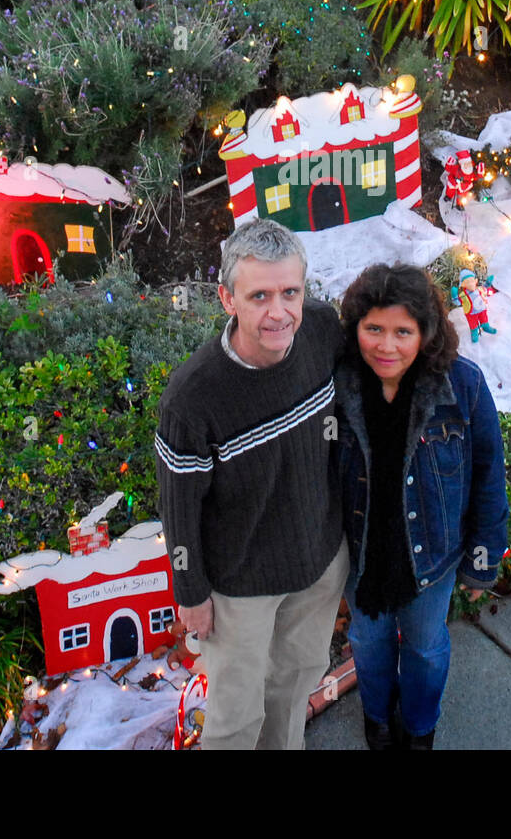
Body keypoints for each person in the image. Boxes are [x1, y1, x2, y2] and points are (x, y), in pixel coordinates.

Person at [155, 219, 349, 750]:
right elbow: (178, 506)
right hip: (240, 586)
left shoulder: (320, 332)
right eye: (259, 296)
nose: (278, 312)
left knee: (292, 692)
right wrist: (190, 591)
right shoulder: (193, 398)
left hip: (318, 564)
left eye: (290, 292)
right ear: (226, 298)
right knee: (235, 718)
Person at [334, 263, 508, 749]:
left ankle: (418, 727)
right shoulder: (338, 390)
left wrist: (482, 562)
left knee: (426, 649)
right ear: (356, 328)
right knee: (368, 645)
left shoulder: (463, 388)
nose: (386, 346)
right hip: (363, 557)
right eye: (374, 329)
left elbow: (488, 476)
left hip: (433, 558)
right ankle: (378, 719)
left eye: (402, 332)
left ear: (425, 333)